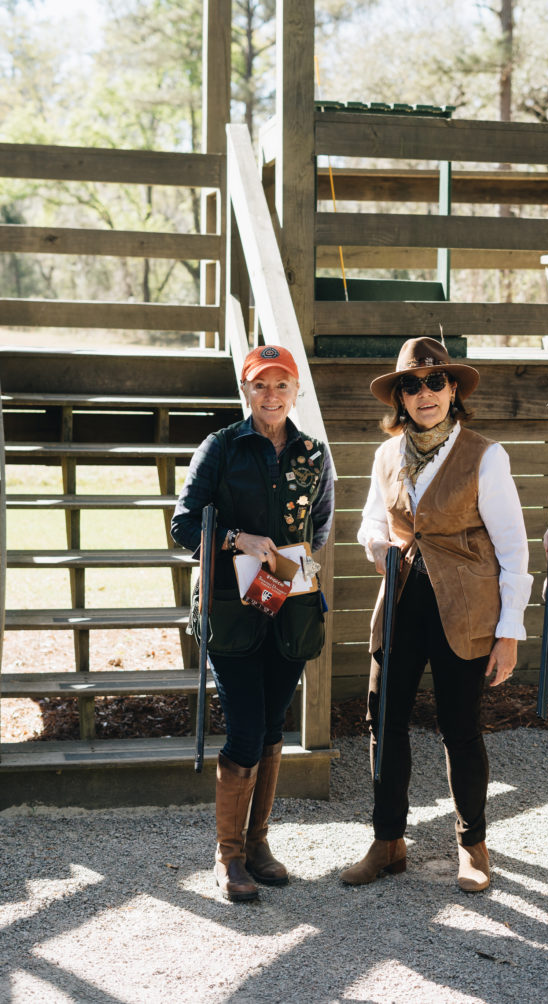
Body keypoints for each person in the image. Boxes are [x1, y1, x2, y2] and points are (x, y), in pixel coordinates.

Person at [340, 337, 532, 893]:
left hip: (466, 608)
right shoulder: (387, 455)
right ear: (400, 397)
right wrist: (376, 544)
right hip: (401, 603)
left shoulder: (485, 455)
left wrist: (509, 632)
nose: (424, 394)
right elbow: (372, 520)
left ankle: (473, 846)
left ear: (452, 390)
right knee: (383, 722)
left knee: (460, 727)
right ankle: (388, 842)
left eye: (434, 382)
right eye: (411, 385)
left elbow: (513, 549)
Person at [172, 344, 334, 902]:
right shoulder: (220, 447)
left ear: (296, 390)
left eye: (281, 384)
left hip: (290, 604)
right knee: (244, 727)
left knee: (270, 728)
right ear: (245, 390)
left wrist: (288, 563)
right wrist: (237, 540)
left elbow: (321, 526)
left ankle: (258, 844)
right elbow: (183, 525)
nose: (271, 395)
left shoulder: (313, 454)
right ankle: (229, 856)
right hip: (229, 608)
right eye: (260, 384)